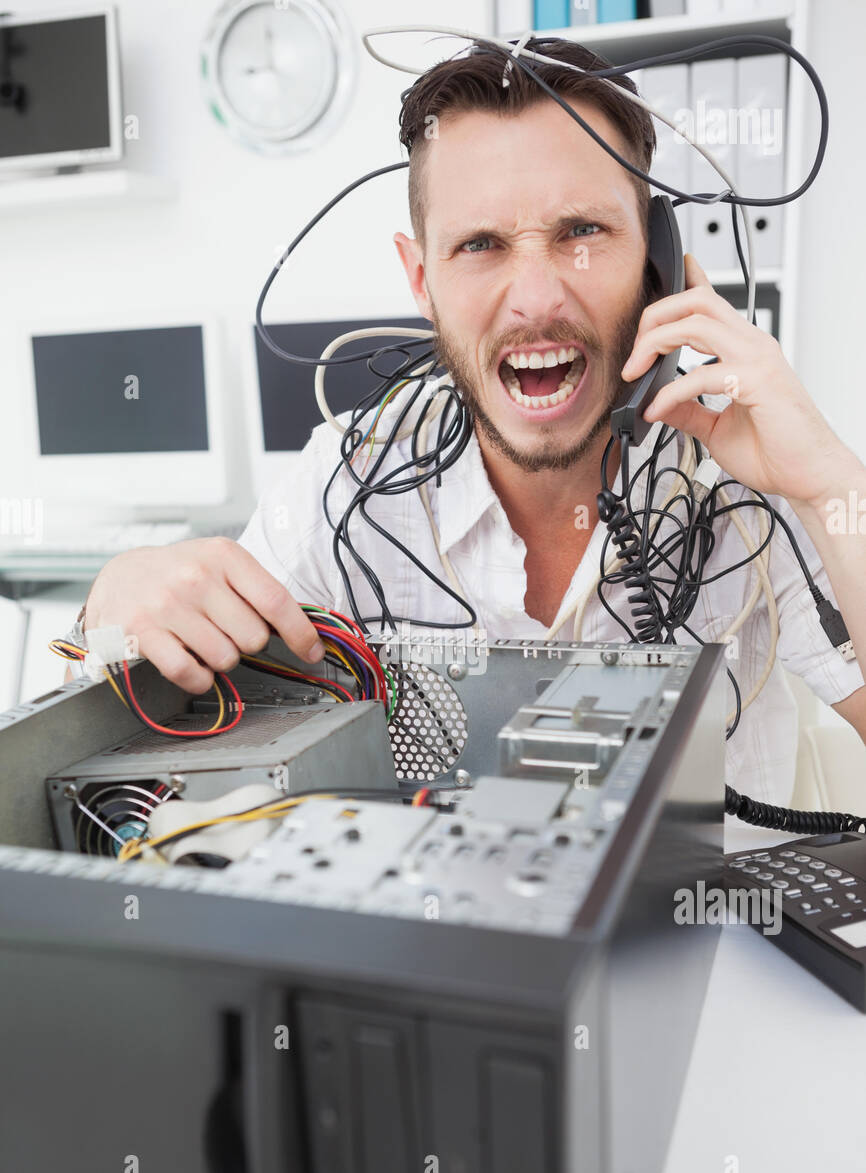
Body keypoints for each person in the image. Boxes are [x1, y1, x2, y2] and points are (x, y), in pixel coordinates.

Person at [76, 38, 866, 808]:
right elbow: (176, 711)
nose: (537, 300)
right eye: (481, 244)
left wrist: (832, 483)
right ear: (422, 279)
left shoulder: (750, 483)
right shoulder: (345, 489)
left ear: (657, 260)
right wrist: (116, 599)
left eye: (582, 233)